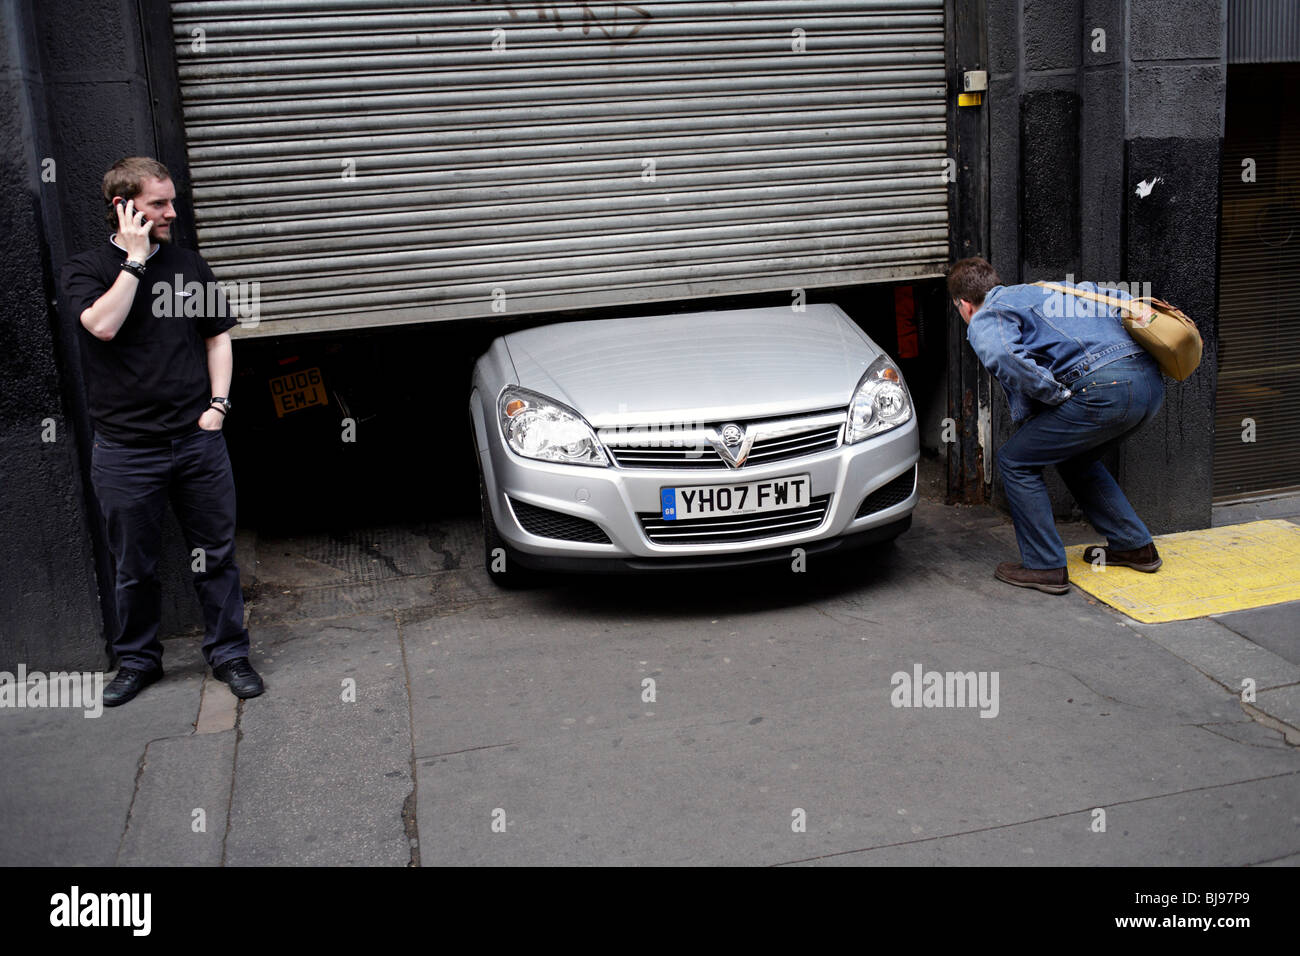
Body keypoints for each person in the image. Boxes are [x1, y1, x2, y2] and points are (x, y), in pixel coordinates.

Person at [60, 157, 263, 704]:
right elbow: (101, 326)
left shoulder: (190, 267)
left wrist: (218, 405)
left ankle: (230, 655)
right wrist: (134, 261)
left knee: (216, 557)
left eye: (172, 200)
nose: (173, 212)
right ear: (124, 208)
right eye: (158, 204)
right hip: (126, 451)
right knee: (133, 567)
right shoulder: (87, 269)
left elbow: (217, 336)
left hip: (197, 442)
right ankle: (139, 662)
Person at [947, 257, 1165, 594]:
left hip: (1104, 391)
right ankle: (1134, 547)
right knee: (1075, 457)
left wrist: (1053, 394)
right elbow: (1116, 301)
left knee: (1015, 460)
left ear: (963, 304)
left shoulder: (987, 313)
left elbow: (1004, 356)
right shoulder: (1052, 290)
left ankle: (1044, 566)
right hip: (1149, 386)